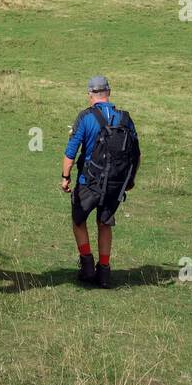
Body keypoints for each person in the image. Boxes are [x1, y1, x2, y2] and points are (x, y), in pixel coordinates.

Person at [61, 75, 140, 289]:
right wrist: (129, 180)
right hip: (115, 183)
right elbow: (135, 152)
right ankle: (104, 272)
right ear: (109, 92)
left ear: (90, 94)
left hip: (89, 181)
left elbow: (71, 151)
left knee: (78, 220)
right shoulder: (124, 118)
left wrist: (65, 177)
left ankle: (87, 266)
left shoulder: (85, 118)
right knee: (104, 223)